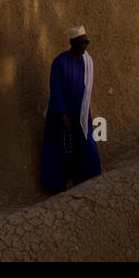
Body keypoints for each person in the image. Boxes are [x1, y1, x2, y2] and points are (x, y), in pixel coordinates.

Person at [41, 25, 102, 193]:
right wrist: (62, 116)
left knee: (86, 145)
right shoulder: (60, 62)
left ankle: (88, 179)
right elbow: (57, 90)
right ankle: (56, 186)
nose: (85, 46)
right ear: (73, 43)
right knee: (62, 151)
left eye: (86, 42)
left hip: (81, 114)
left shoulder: (87, 61)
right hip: (62, 115)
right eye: (81, 42)